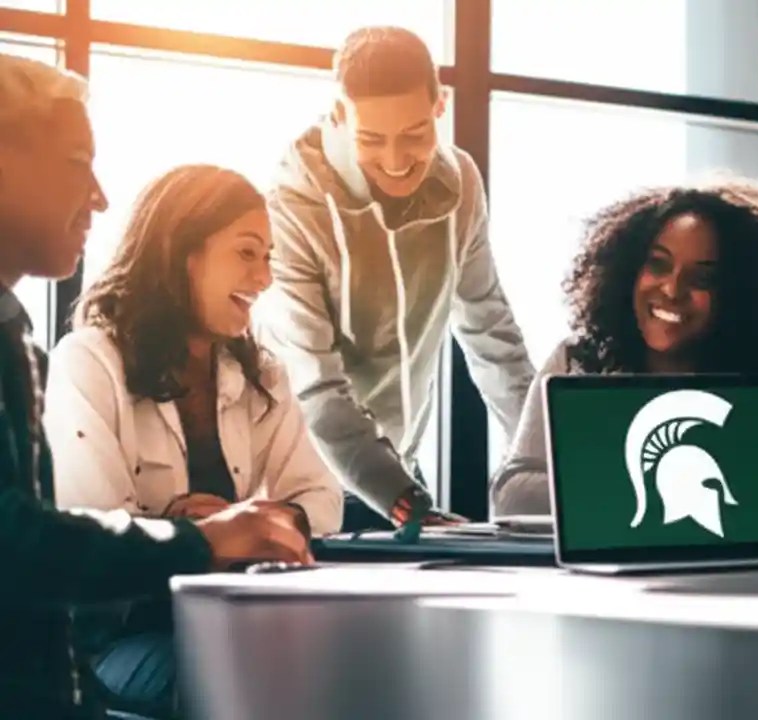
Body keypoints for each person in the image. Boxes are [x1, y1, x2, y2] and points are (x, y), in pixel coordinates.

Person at [0, 53, 309, 719]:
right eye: (75, 163)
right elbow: (22, 542)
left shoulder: (12, 335)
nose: (99, 196)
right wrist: (202, 539)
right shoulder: (83, 357)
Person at [256, 26, 533, 530]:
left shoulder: (462, 185)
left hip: (398, 465)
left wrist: (547, 461)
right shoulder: (292, 202)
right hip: (300, 478)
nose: (395, 160)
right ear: (339, 115)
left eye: (414, 134)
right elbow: (314, 383)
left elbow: (493, 339)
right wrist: (401, 497)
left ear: (439, 104)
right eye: (371, 139)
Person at [490, 178, 758, 516]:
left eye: (702, 279)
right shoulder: (577, 361)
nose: (672, 289)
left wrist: (600, 486)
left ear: (738, 296)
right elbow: (513, 494)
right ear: (628, 271)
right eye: (658, 264)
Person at [46, 164, 342, 535]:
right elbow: (93, 529)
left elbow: (323, 500)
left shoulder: (262, 375)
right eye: (246, 253)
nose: (265, 279)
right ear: (179, 253)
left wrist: (253, 523)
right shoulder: (87, 363)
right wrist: (189, 533)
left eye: (268, 257)